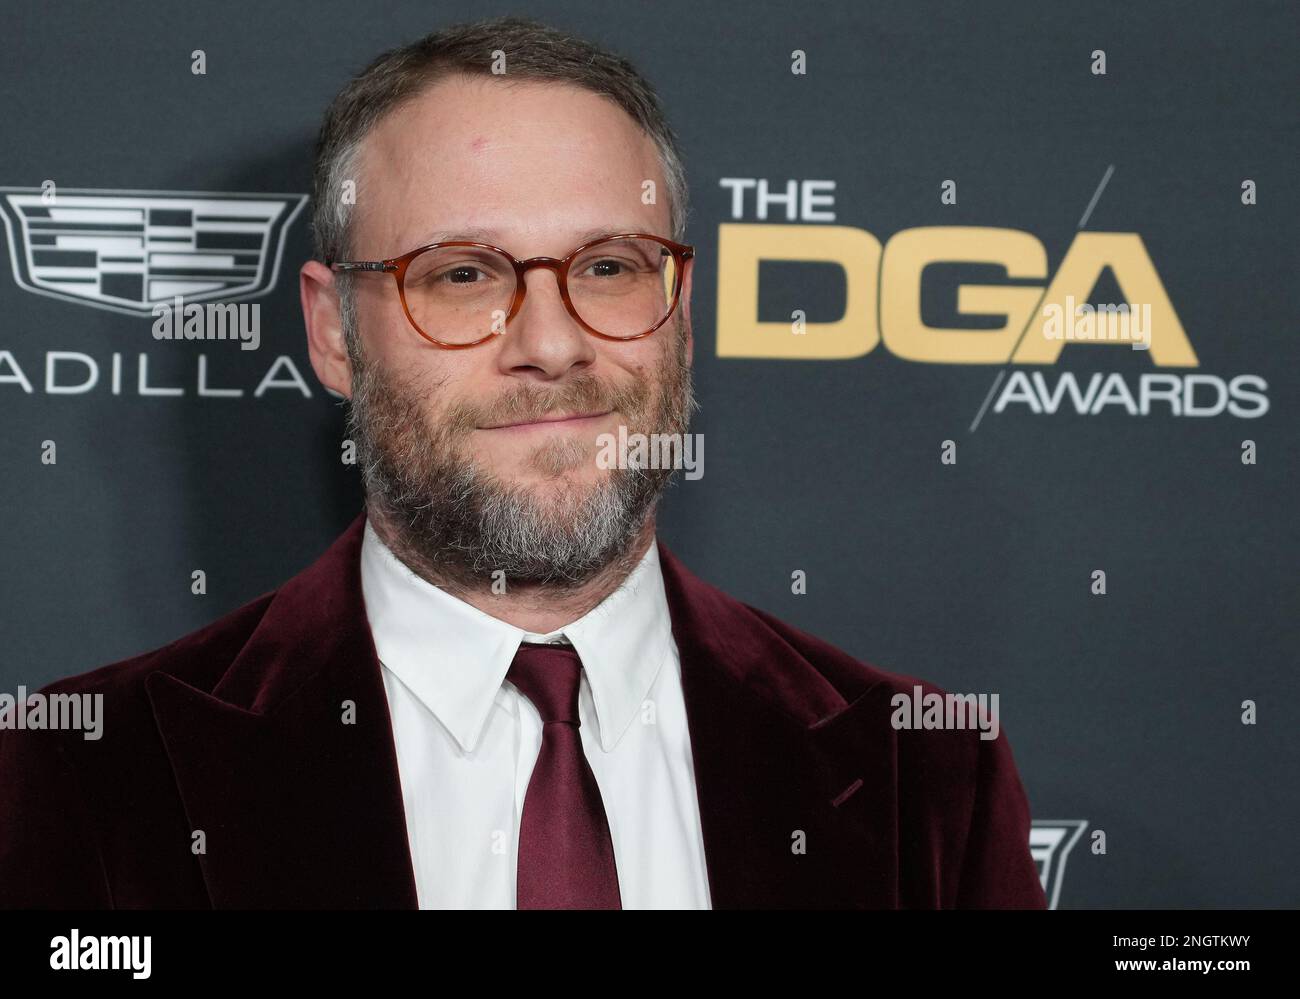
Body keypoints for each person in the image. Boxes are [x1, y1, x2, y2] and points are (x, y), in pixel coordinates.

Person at [0, 15, 1046, 909]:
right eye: (461, 274)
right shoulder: (74, 775)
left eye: (607, 266)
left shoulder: (924, 776)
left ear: (681, 311)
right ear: (330, 335)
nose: (551, 343)